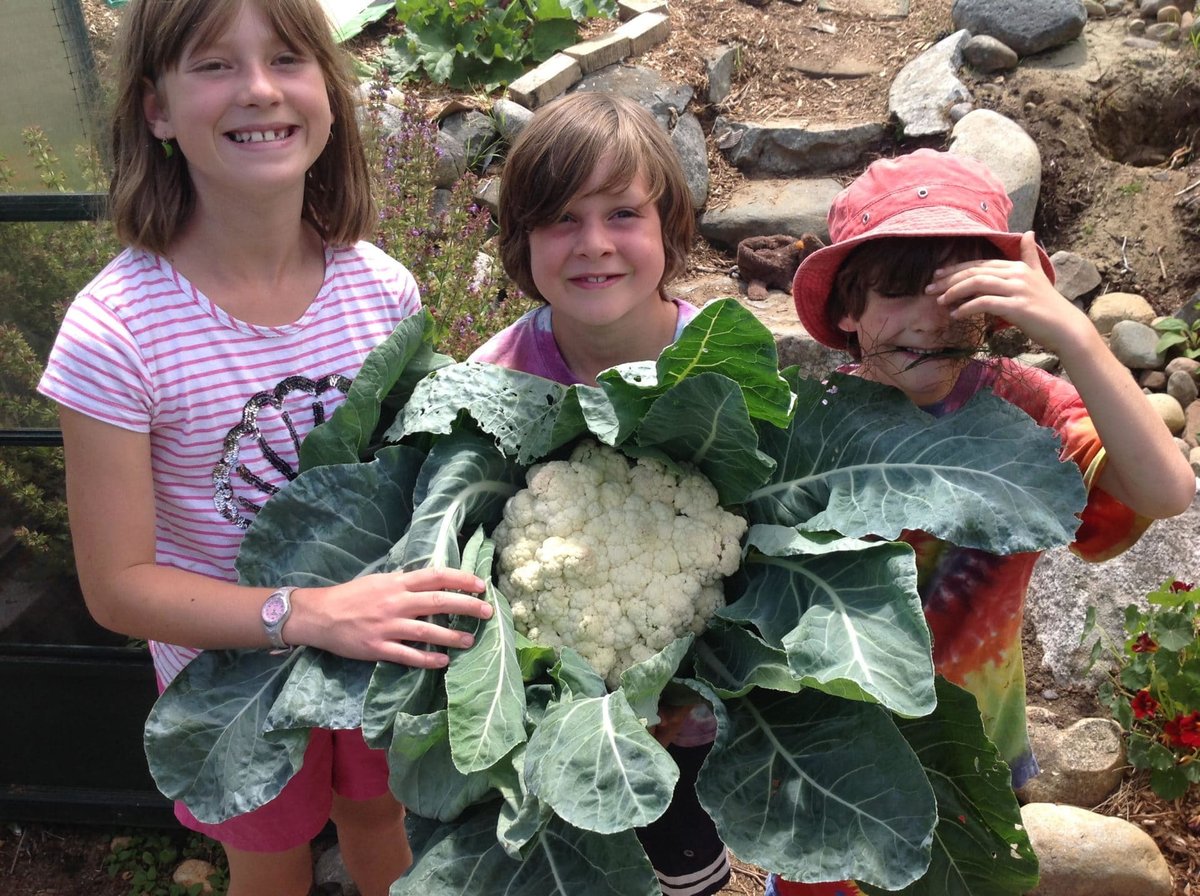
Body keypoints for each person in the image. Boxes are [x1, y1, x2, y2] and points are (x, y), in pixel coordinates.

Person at [36, 2, 494, 894]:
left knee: (380, 814)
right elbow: (117, 587)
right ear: (155, 109)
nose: (257, 89)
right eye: (212, 65)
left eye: (287, 58)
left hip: (379, 649)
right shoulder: (114, 332)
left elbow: (410, 477)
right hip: (233, 688)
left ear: (327, 93)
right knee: (270, 857)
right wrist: (313, 614)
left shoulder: (380, 288)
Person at [766, 148, 1196, 896]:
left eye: (962, 293)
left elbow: (1165, 491)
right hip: (829, 759)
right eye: (899, 293)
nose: (933, 320)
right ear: (844, 310)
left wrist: (1079, 337)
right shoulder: (806, 428)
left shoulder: (1027, 409)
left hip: (976, 751)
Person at [469, 91, 732, 896]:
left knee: (687, 863)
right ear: (522, 242)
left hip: (700, 715)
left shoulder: (722, 368)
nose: (594, 246)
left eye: (623, 214)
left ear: (669, 227)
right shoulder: (492, 385)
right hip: (555, 723)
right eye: (560, 220)